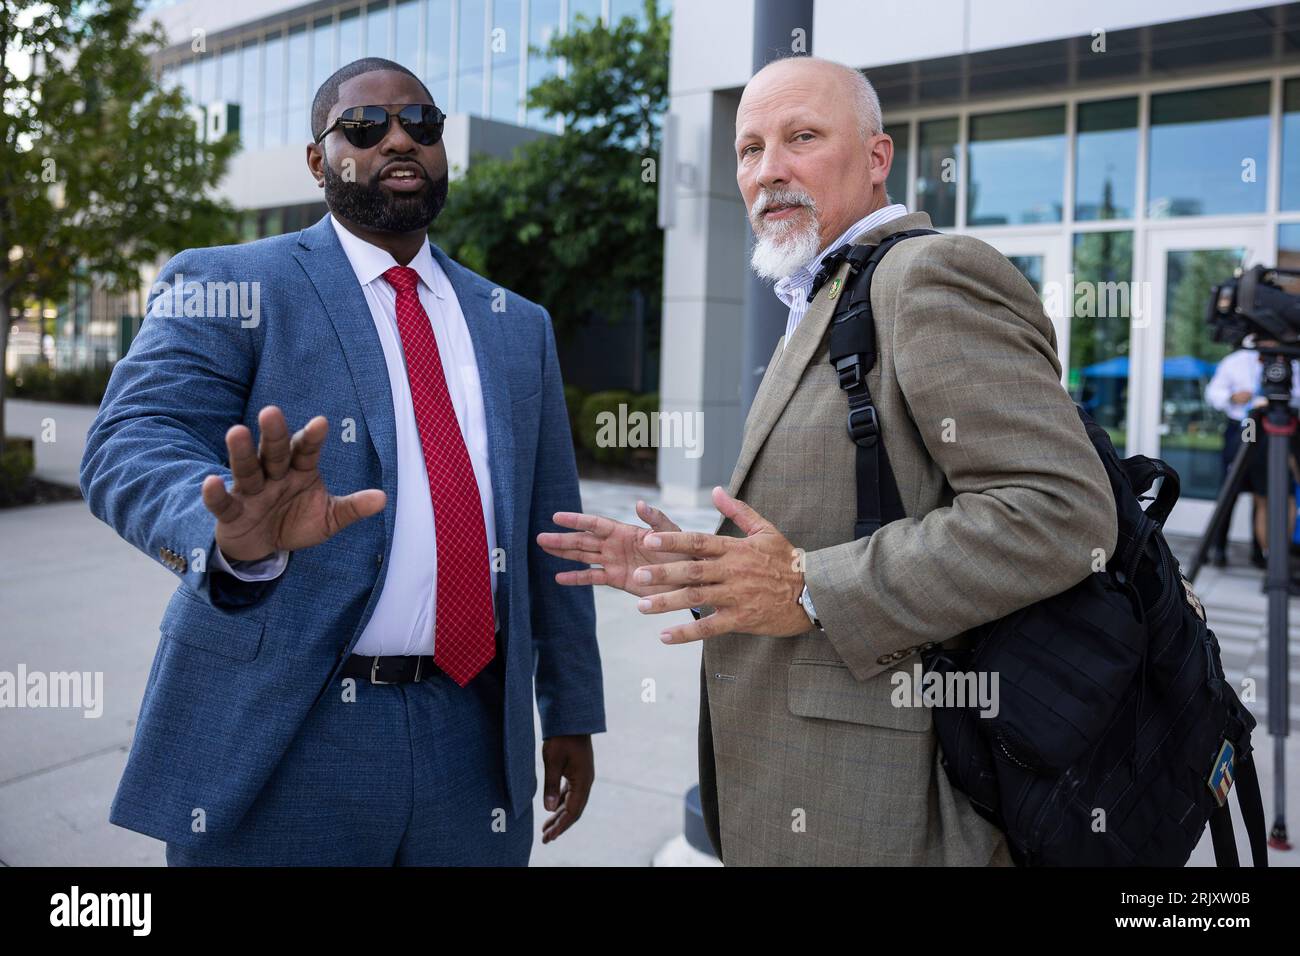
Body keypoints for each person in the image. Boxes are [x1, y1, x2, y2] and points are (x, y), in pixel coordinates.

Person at [538, 55, 1117, 865]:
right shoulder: (827, 292)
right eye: (749, 149)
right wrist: (695, 565)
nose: (768, 171)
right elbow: (835, 513)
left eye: (801, 137)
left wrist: (810, 585)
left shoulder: (927, 276)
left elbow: (1059, 514)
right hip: (812, 787)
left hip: (893, 800)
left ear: (877, 159)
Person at [80, 58, 604, 865]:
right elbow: (130, 441)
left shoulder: (515, 323)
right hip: (287, 731)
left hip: (471, 735)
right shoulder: (227, 282)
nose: (399, 138)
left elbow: (551, 529)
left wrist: (570, 707)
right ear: (319, 161)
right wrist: (224, 534)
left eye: (420, 124)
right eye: (364, 127)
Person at [1204, 345, 1300, 570]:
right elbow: (1213, 393)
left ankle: (1264, 553)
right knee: (1230, 488)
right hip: (1243, 426)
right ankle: (1218, 547)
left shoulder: (1291, 361)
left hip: (1276, 428)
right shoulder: (1236, 361)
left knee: (1264, 492)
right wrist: (1232, 397)